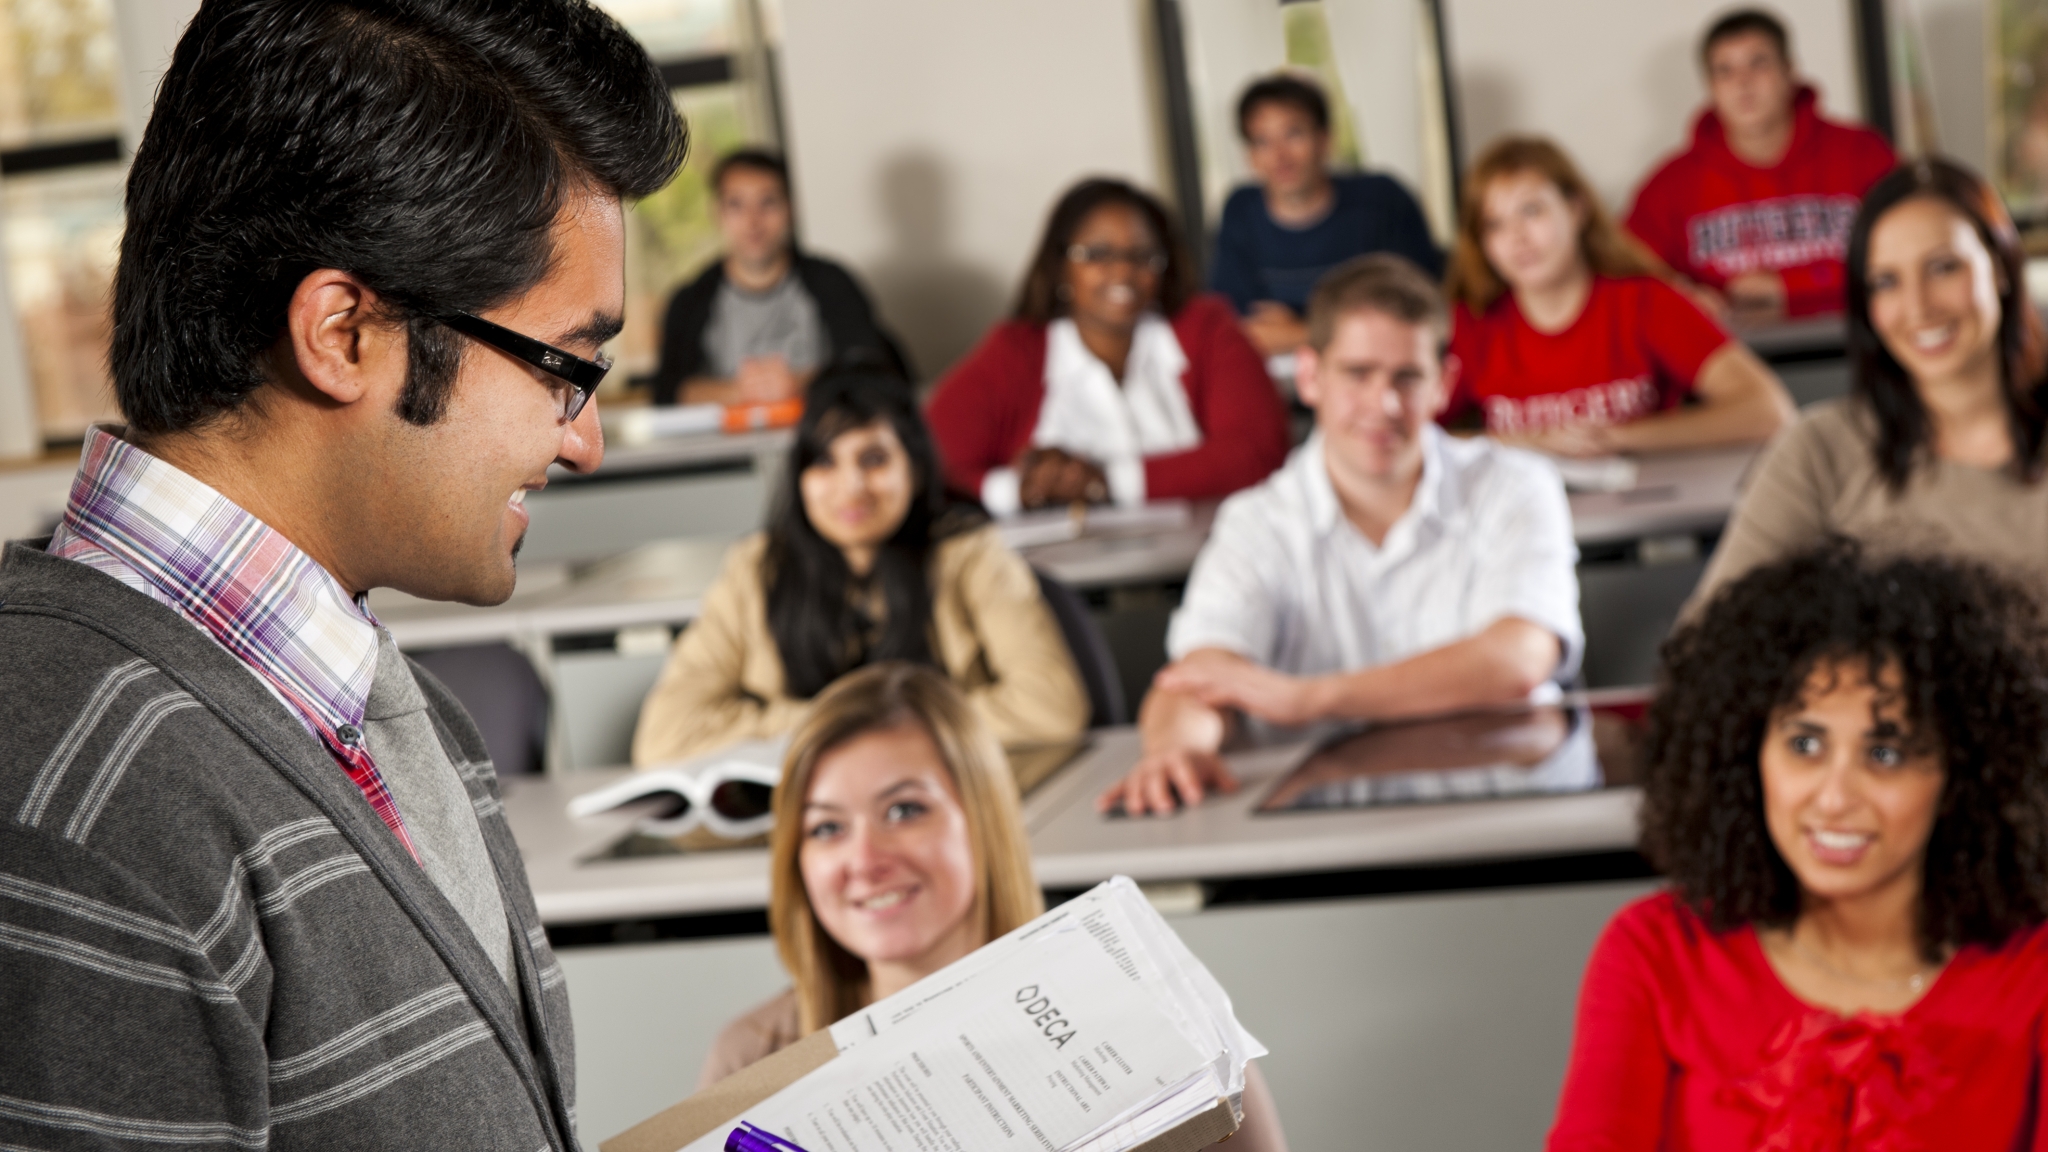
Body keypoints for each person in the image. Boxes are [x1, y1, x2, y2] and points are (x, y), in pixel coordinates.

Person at [0, 3, 684, 1148]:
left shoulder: (390, 714)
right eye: (563, 365)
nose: (583, 440)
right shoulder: (79, 799)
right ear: (344, 334)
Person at [1548, 542, 2048, 1149]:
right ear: (1747, 752)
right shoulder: (1656, 953)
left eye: (1884, 754)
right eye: (1804, 745)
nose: (1834, 798)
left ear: (1962, 775)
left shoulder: (2034, 970)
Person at [700, 662, 1291, 1152]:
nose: (865, 859)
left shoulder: (1162, 1035)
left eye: (904, 811)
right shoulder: (754, 1055)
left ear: (982, 822)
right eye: (827, 828)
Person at [1098, 254, 1583, 816]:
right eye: (1358, 374)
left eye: (1407, 377)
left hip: (1511, 820)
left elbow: (1518, 661)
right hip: (1328, 834)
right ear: (1310, 377)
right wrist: (1175, 751)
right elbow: (1198, 679)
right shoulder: (1256, 522)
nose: (1384, 404)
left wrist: (1308, 699)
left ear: (1443, 385)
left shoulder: (1516, 485)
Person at [633, 369, 1088, 765]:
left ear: (915, 468)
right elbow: (666, 737)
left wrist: (835, 730)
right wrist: (859, 725)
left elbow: (1052, 707)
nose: (850, 487)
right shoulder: (756, 568)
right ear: (799, 477)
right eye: (824, 462)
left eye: (874, 460)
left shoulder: (970, 553)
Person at [1689, 159, 2048, 610]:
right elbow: (1709, 637)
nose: (1918, 307)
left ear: (1999, 267)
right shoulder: (1817, 452)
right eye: (1886, 281)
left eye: (1943, 268)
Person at [926, 178, 1289, 515]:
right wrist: (1022, 490)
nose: (1123, 272)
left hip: (1205, 557)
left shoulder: (1207, 330)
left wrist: (1106, 481)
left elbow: (1258, 451)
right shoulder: (1017, 352)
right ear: (1059, 266)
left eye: (1142, 255)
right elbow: (928, 461)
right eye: (1097, 254)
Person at [1443, 136, 1793, 457]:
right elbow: (1420, 436)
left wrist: (1616, 438)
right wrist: (1529, 441)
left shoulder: (1646, 301)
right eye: (1494, 224)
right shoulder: (1471, 322)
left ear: (1576, 209)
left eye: (1531, 211)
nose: (1517, 237)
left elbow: (1769, 411)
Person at [1626, 9, 1895, 323]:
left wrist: (1792, 285)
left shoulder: (1863, 154)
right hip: (1729, 350)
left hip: (1860, 339)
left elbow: (1912, 253)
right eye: (1725, 71)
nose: (1743, 83)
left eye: (1758, 63)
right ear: (1710, 86)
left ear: (1789, 70)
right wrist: (1680, 298)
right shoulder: (1669, 186)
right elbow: (1624, 277)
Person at [1209, 73, 1443, 357]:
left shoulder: (1383, 201)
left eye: (1293, 134)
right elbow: (1239, 329)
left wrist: (1299, 332)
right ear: (1250, 156)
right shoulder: (1240, 209)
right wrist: (1344, 327)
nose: (1280, 155)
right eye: (1261, 141)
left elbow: (1419, 312)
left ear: (1324, 139)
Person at [651, 148, 903, 406]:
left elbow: (873, 367)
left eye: (768, 202)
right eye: (736, 204)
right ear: (717, 212)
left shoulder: (834, 283)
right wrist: (739, 392)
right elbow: (666, 392)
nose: (753, 221)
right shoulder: (690, 301)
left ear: (791, 209)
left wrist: (801, 384)